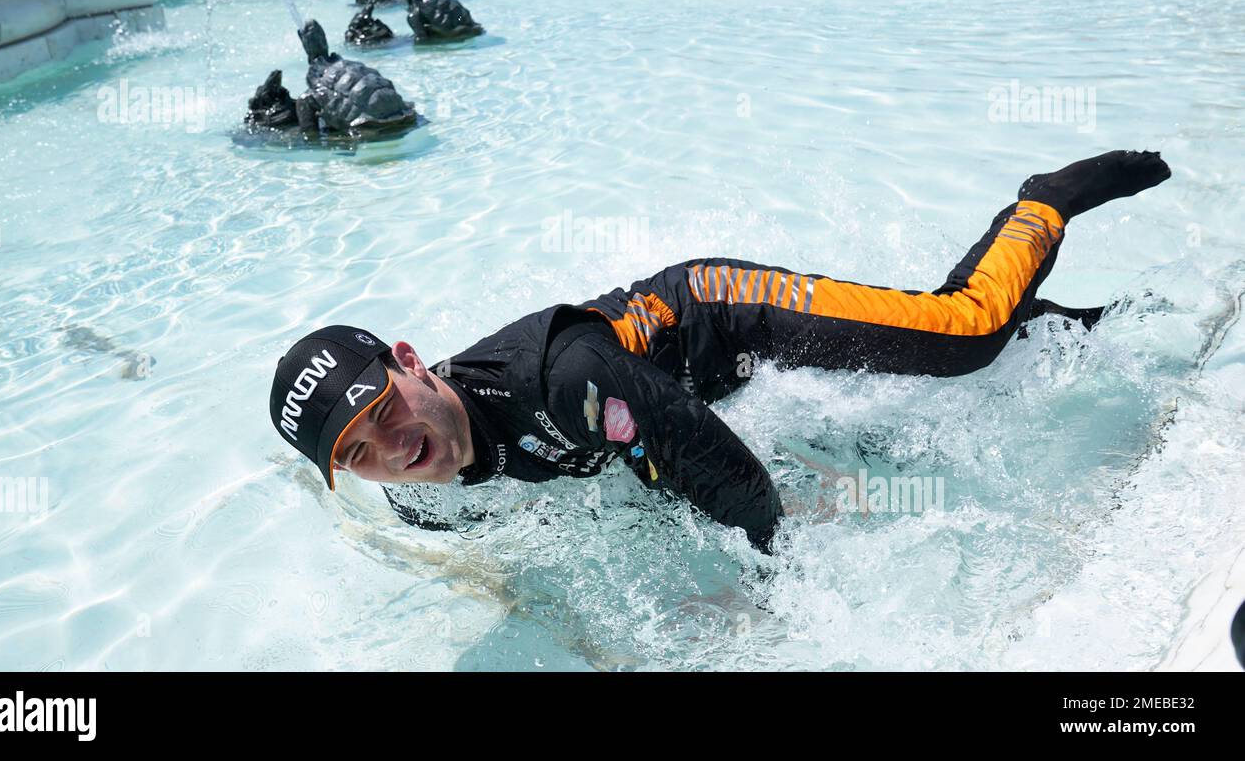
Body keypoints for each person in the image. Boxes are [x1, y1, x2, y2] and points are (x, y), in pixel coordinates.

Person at [269, 152, 1172, 554]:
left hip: (727, 312)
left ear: (411, 363)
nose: (390, 448)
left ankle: (1045, 201)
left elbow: (720, 469)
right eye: (357, 453)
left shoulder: (562, 381)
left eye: (381, 408)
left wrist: (779, 582)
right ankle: (1055, 323)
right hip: (674, 389)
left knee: (966, 332)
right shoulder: (428, 497)